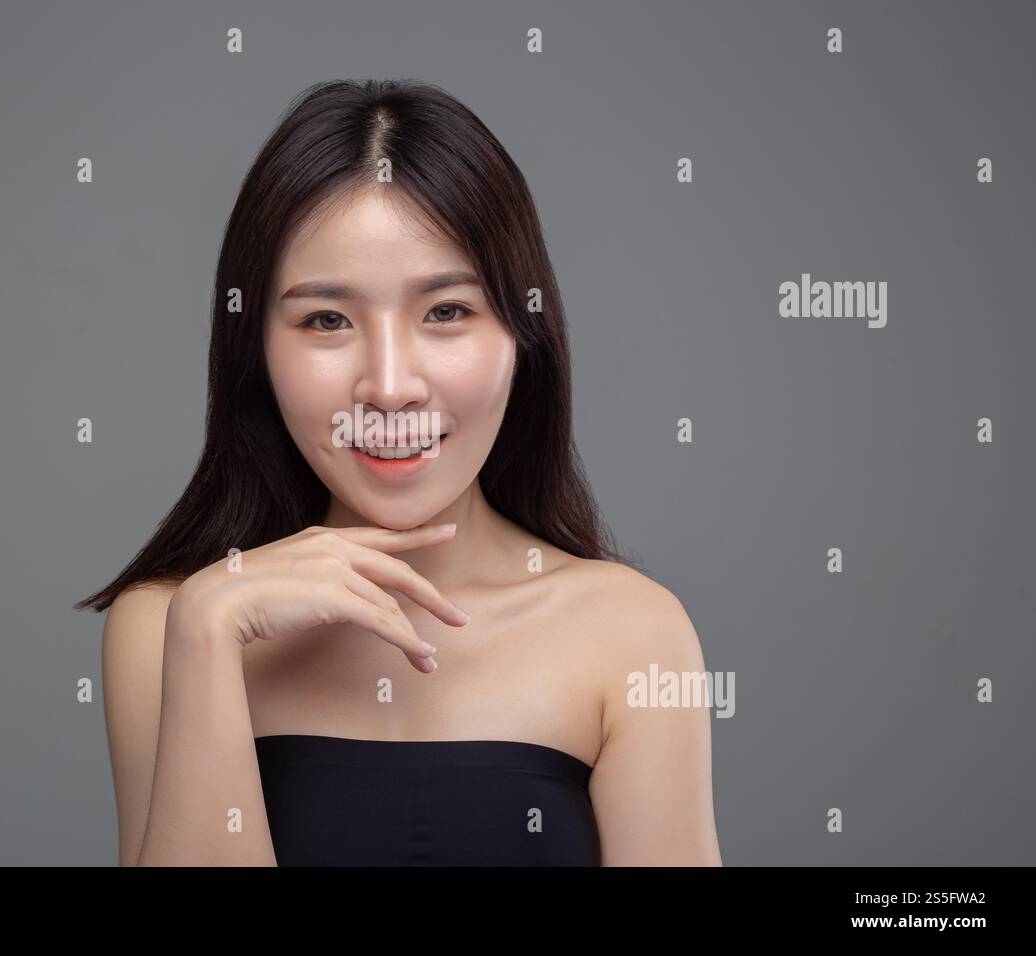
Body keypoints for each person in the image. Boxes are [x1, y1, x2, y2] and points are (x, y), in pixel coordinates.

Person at [75, 78, 722, 866]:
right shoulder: (172, 625)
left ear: (523, 335)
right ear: (258, 354)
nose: (388, 385)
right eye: (327, 320)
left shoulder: (634, 634)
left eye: (446, 311)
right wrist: (209, 638)